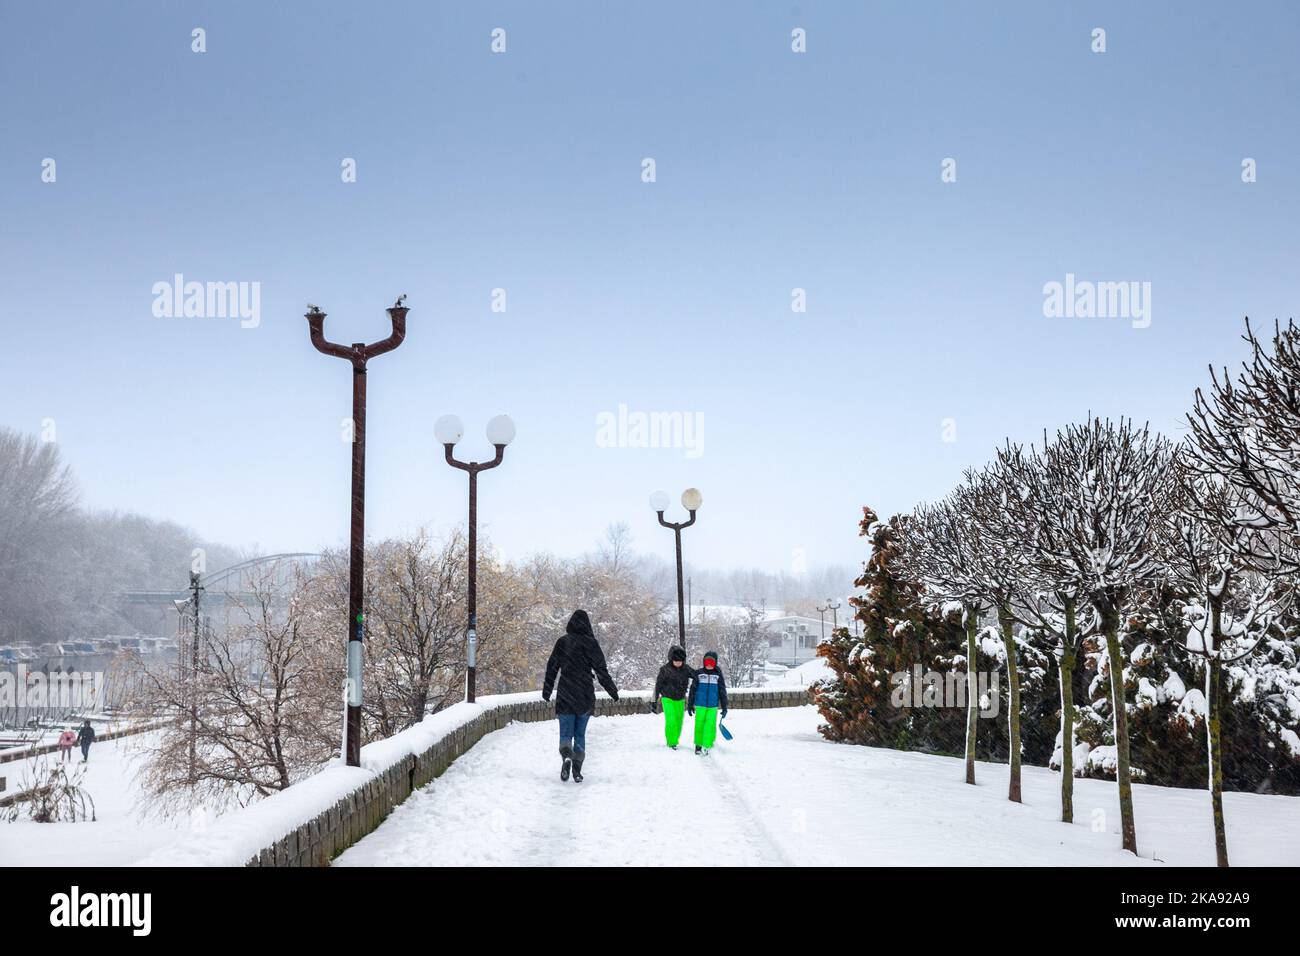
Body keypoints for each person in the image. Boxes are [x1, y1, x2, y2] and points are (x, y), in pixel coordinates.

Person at [542, 609, 618, 783]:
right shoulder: (592, 644)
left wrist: (547, 690)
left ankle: (566, 755)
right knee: (580, 734)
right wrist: (612, 691)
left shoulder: (562, 642)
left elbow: (552, 667)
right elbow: (601, 671)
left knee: (566, 733)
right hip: (584, 694)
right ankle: (577, 769)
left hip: (565, 692)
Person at [651, 645, 694, 749]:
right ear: (671, 658)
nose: (678, 662)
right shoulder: (665, 670)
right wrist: (654, 701)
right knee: (671, 720)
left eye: (681, 660)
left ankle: (675, 738)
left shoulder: (686, 669)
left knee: (678, 722)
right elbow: (658, 686)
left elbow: (697, 675)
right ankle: (671, 742)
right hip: (667, 698)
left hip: (680, 699)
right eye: (676, 660)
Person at [687, 650, 728, 755]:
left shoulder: (718, 675)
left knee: (710, 726)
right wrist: (690, 704)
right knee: (699, 725)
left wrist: (724, 707)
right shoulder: (699, 673)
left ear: (715, 663)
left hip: (712, 706)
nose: (709, 665)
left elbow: (722, 691)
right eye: (707, 662)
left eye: (712, 663)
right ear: (704, 662)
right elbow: (692, 690)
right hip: (700, 705)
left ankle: (707, 745)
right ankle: (698, 745)